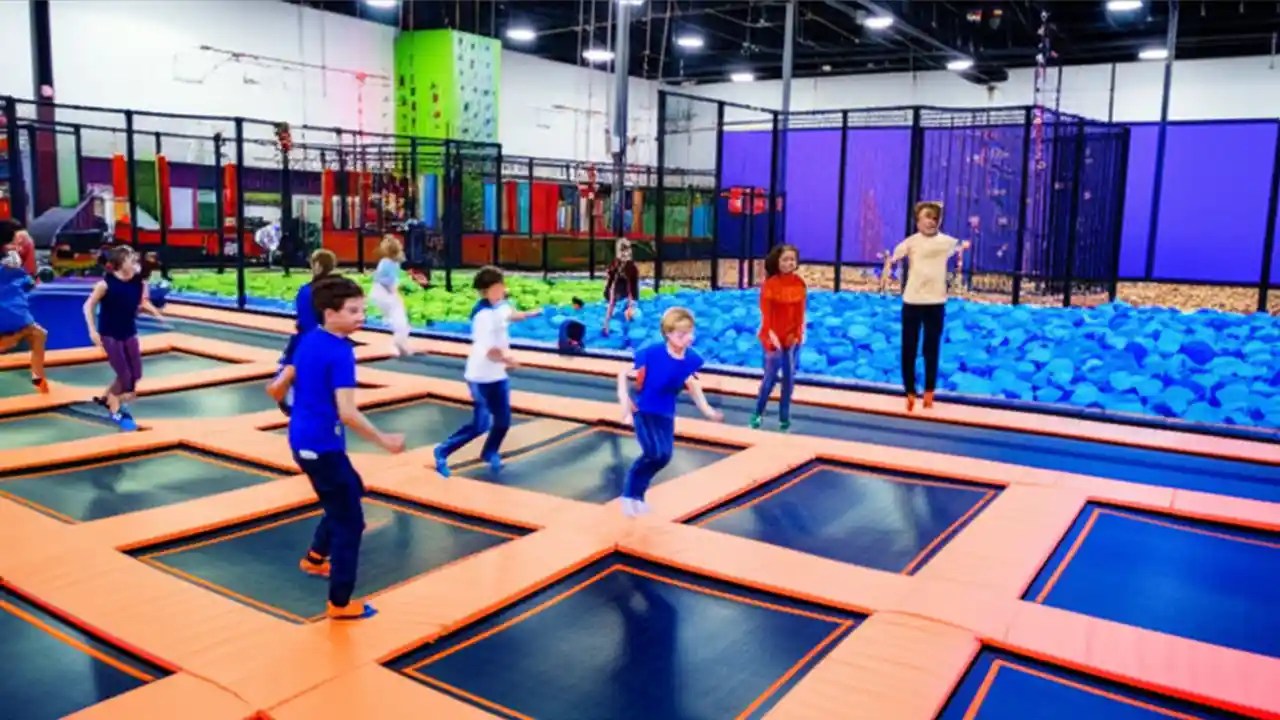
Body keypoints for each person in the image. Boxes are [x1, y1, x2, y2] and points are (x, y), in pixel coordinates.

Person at [290, 275, 405, 621]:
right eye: (353, 311)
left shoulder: (309, 338)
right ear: (330, 313)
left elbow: (295, 378)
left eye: (362, 310)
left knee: (350, 490)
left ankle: (313, 558)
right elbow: (348, 413)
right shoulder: (341, 352)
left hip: (304, 439)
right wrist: (384, 440)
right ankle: (339, 604)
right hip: (321, 445)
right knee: (350, 523)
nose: (361, 316)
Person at [433, 266, 540, 477]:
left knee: (503, 420)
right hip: (479, 376)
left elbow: (511, 315)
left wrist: (529, 314)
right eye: (499, 286)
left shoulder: (501, 306)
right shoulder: (482, 317)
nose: (503, 290)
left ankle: (489, 452)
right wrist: (508, 358)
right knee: (480, 424)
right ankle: (442, 450)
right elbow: (490, 351)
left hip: (497, 376)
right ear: (487, 291)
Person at [617, 307, 723, 517]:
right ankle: (629, 495)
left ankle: (638, 496)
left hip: (665, 412)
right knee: (652, 453)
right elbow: (623, 375)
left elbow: (692, 385)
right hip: (643, 408)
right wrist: (625, 407)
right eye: (681, 335)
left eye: (689, 333)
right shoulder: (651, 353)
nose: (687, 339)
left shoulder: (692, 359)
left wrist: (708, 411)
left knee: (664, 456)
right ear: (668, 334)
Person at [883, 201, 970, 412]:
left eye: (935, 218)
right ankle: (910, 391)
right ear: (918, 221)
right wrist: (887, 269)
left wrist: (963, 253)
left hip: (936, 302)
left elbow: (962, 246)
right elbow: (893, 257)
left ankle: (929, 390)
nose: (930, 222)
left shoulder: (946, 242)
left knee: (931, 348)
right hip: (912, 301)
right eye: (926, 217)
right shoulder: (911, 243)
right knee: (909, 348)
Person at [82, 246, 163, 430]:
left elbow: (141, 303)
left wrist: (156, 314)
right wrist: (92, 331)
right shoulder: (105, 285)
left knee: (137, 374)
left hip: (129, 331)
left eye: (135, 259)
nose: (135, 262)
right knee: (125, 378)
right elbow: (88, 306)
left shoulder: (139, 283)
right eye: (130, 259)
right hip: (110, 334)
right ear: (120, 264)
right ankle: (115, 406)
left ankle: (106, 398)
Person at [266, 249, 337, 413]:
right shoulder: (338, 289)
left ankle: (294, 397)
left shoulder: (307, 291)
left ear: (315, 265)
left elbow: (305, 319)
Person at [751, 244, 806, 432]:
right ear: (777, 262)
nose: (789, 263)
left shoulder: (799, 283)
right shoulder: (770, 284)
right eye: (785, 259)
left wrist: (799, 334)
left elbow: (800, 313)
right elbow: (766, 314)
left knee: (789, 379)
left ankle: (784, 417)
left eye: (792, 259)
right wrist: (771, 334)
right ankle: (758, 413)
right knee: (770, 378)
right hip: (772, 337)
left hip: (791, 338)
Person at [0, 249, 48, 392]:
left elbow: (28, 283)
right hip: (9, 318)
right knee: (31, 334)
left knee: (39, 334)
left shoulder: (18, 278)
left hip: (16, 320)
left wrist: (36, 278)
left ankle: (38, 379)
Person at [368, 234, 413, 357]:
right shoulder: (390, 263)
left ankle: (400, 341)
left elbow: (380, 277)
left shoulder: (386, 262)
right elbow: (385, 280)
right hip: (385, 292)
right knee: (399, 316)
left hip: (379, 292)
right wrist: (394, 291)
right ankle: (400, 342)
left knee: (397, 315)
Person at [602, 237, 639, 336]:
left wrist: (631, 306)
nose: (625, 253)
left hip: (626, 298)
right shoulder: (614, 266)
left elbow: (632, 289)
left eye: (627, 250)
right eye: (622, 250)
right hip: (617, 297)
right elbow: (611, 288)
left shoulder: (631, 268)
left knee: (632, 316)